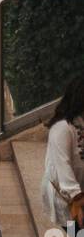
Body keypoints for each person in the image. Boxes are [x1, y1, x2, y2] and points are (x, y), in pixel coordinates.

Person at [41, 74, 84, 227]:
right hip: (68, 197)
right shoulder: (62, 128)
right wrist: (77, 199)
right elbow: (63, 167)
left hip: (78, 191)